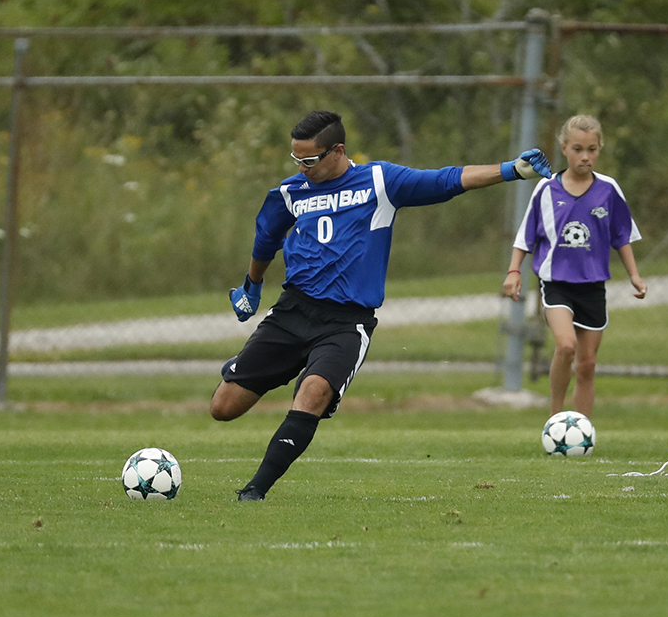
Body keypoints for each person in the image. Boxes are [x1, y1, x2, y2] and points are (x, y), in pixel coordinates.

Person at [215, 110, 551, 500]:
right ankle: (279, 370)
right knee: (223, 407)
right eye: (297, 161)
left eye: (310, 160)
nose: (303, 168)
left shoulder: (380, 181)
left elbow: (444, 180)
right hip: (292, 312)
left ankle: (255, 491)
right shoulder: (291, 192)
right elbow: (265, 239)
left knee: (313, 392)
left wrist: (512, 170)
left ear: (337, 151)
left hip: (345, 323)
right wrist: (251, 288)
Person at [502, 114, 646, 417]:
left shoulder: (608, 190)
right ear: (564, 148)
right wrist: (514, 271)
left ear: (599, 149)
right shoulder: (546, 191)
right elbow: (525, 238)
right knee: (566, 347)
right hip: (556, 284)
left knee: (587, 363)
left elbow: (622, 236)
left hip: (593, 285)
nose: (585, 156)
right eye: (578, 149)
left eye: (592, 149)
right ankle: (555, 421)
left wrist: (634, 275)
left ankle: (582, 429)